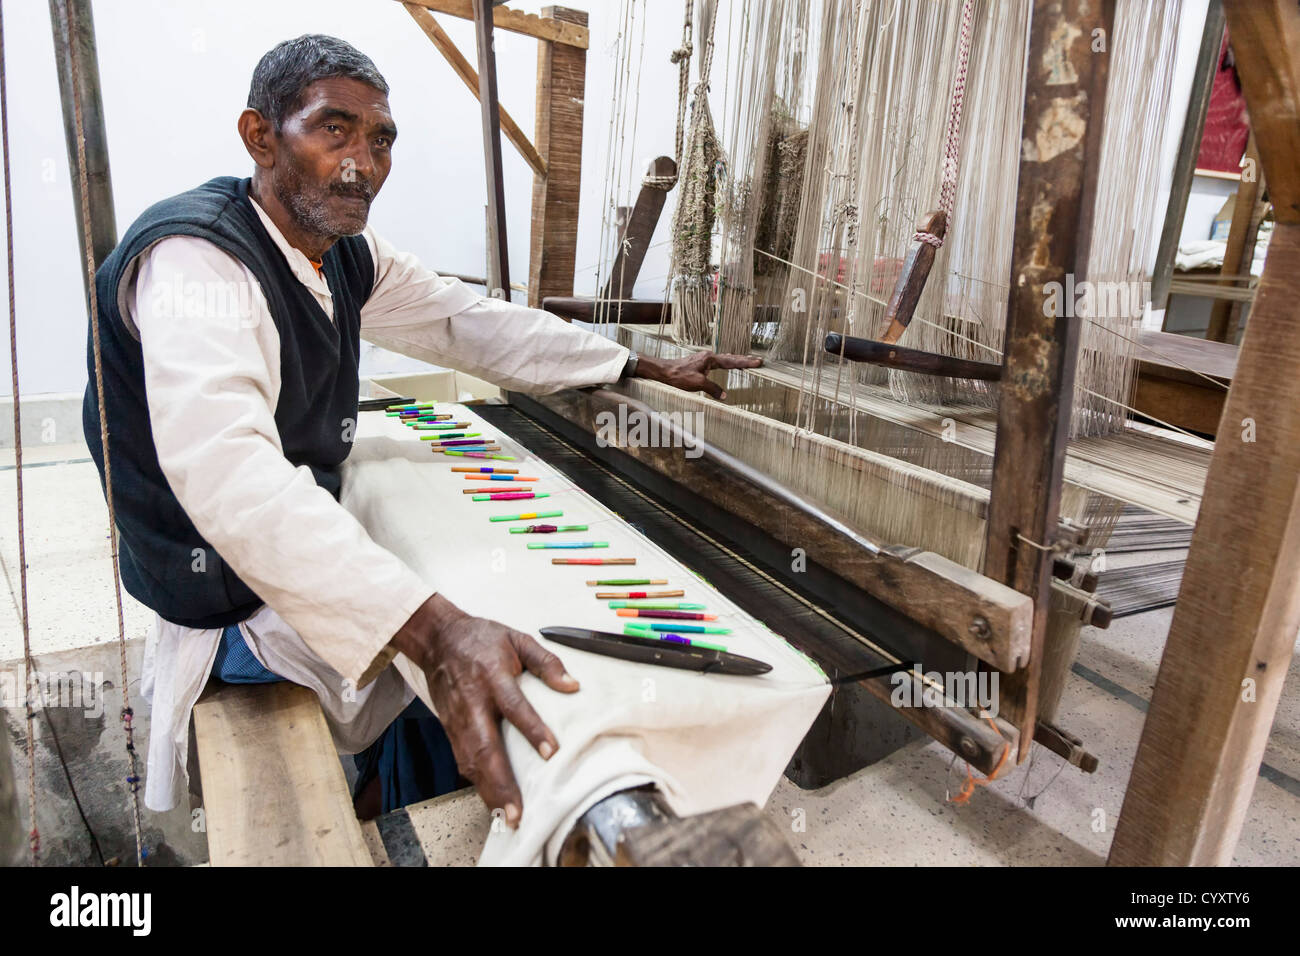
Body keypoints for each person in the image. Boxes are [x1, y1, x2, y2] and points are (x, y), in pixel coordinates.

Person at [84, 34, 759, 826]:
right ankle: (426, 799)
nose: (361, 164)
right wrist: (438, 633)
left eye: (380, 140)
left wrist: (630, 366)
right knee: (471, 648)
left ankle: (406, 795)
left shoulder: (341, 255)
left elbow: (465, 324)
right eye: (332, 130)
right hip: (231, 614)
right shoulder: (197, 263)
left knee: (473, 616)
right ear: (260, 136)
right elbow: (229, 477)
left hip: (263, 582)